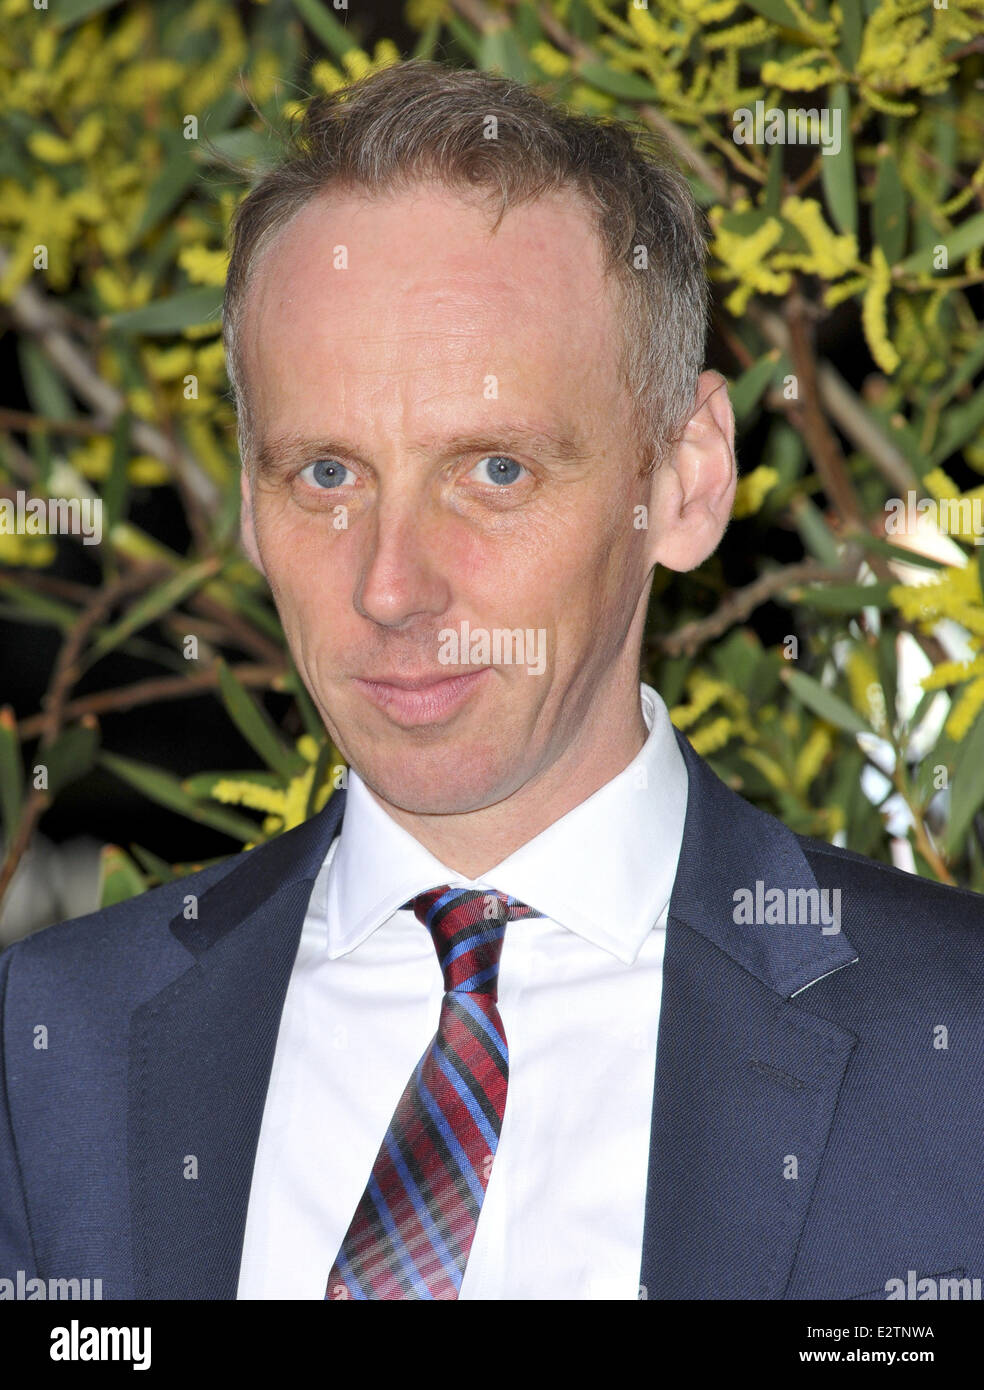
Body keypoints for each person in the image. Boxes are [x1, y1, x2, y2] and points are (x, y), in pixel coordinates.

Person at [1, 59, 982, 1303]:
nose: (392, 585)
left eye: (496, 472)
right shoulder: (53, 1052)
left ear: (685, 478)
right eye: (326, 476)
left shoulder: (959, 1053)